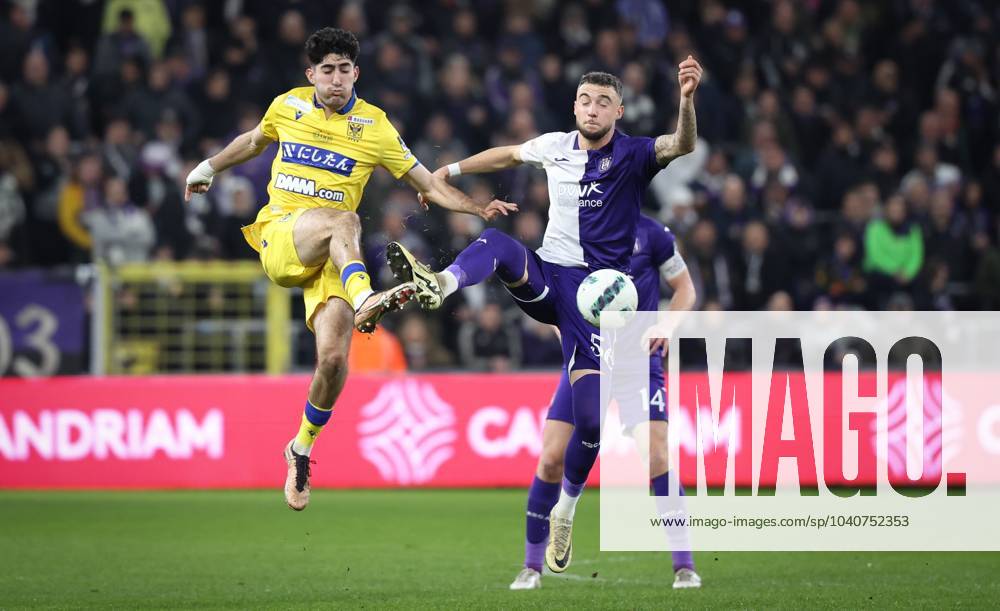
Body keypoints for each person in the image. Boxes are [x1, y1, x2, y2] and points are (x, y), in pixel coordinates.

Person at [385, 57, 703, 588]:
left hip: (605, 321)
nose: (593, 108)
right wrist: (450, 171)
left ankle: (584, 521)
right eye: (585, 99)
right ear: (574, 105)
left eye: (604, 102)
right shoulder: (555, 146)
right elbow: (508, 153)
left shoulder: (636, 167)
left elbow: (681, 144)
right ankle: (441, 284)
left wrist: (687, 100)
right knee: (501, 244)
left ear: (619, 111)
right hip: (555, 285)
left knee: (596, 430)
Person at [184, 28, 515, 511]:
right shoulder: (287, 106)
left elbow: (425, 180)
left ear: (355, 73)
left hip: (337, 256)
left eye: (344, 70)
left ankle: (300, 447)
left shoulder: (375, 127)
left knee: (335, 362)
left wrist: (476, 208)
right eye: (326, 71)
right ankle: (367, 300)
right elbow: (254, 141)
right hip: (284, 234)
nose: (335, 80)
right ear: (311, 75)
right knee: (345, 218)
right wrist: (208, 167)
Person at [525, 215, 699, 590]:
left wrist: (666, 326)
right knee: (552, 457)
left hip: (639, 359)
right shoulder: (571, 234)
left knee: (656, 455)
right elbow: (554, 296)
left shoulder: (653, 234)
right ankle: (531, 566)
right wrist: (565, 330)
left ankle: (685, 565)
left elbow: (685, 288)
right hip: (589, 358)